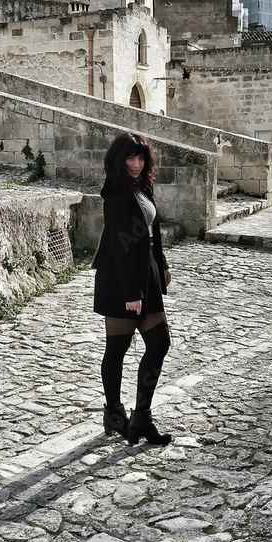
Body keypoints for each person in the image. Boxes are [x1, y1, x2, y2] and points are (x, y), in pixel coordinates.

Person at [91, 132, 172, 446]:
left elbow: (154, 231)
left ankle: (141, 417)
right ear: (118, 159)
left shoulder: (142, 187)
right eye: (130, 158)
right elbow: (120, 247)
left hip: (146, 273)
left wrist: (162, 263)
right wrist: (131, 293)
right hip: (122, 280)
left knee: (159, 344)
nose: (136, 164)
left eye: (141, 158)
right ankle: (114, 413)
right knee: (117, 349)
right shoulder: (116, 194)